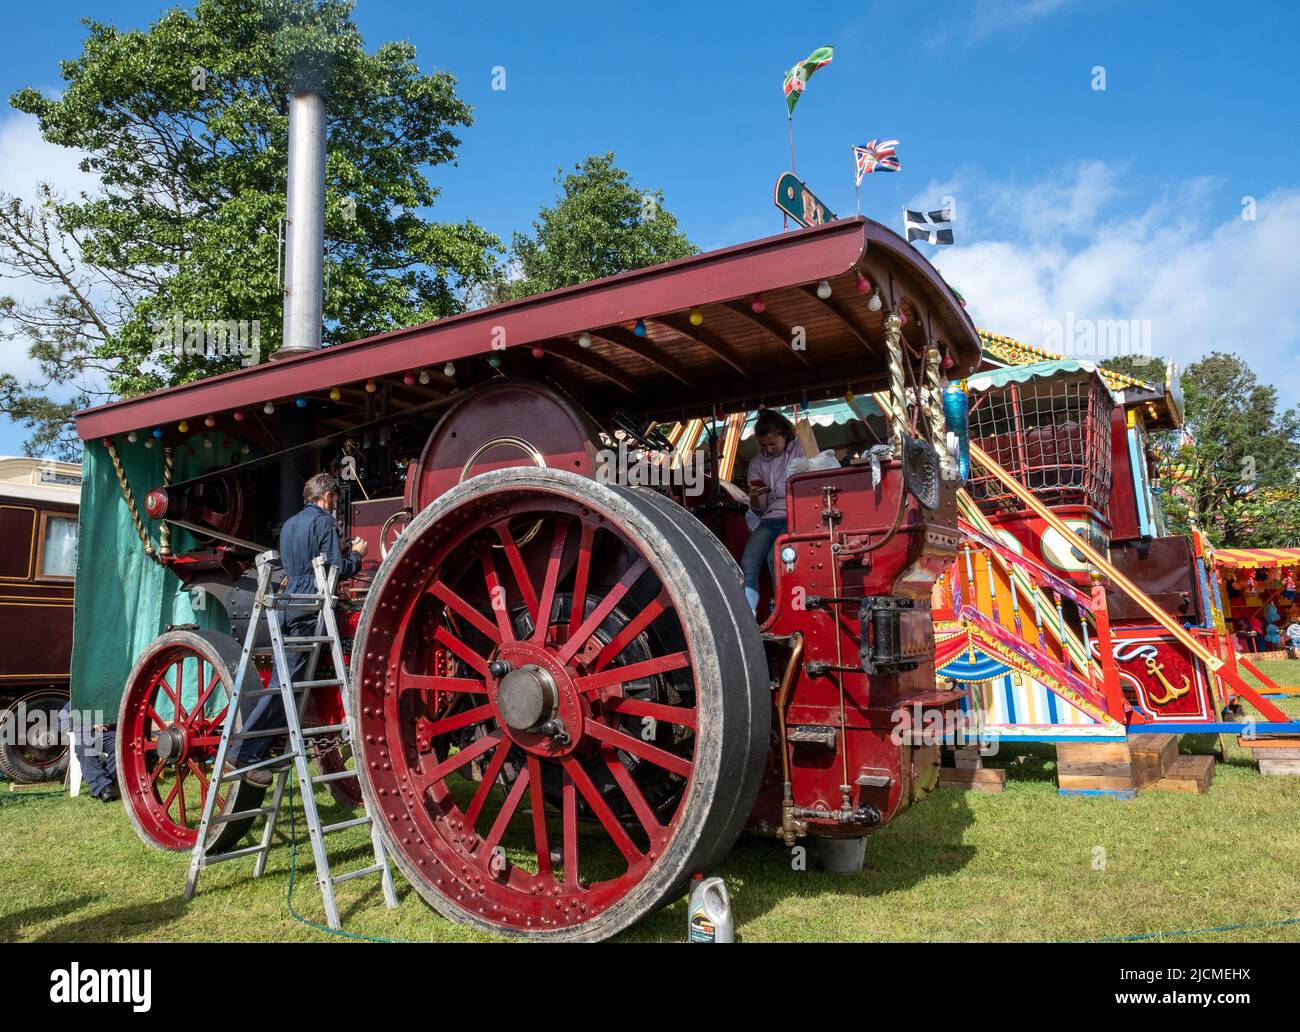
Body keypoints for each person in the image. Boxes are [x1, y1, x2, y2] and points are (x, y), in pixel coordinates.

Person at [230, 472, 367, 787]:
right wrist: (356, 555)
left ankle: (268, 745)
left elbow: (303, 564)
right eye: (334, 500)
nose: (334, 506)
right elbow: (334, 570)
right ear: (328, 497)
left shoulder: (290, 524)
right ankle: (245, 751)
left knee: (285, 681)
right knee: (286, 684)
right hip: (311, 607)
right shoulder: (324, 523)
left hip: (288, 603)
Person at [740, 410, 804, 613]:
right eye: (763, 445)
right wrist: (755, 497)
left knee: (774, 558)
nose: (768, 449)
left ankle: (783, 612)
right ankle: (748, 618)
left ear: (784, 435)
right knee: (748, 562)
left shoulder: (801, 450)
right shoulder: (756, 463)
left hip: (797, 515)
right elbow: (760, 511)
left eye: (772, 444)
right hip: (770, 518)